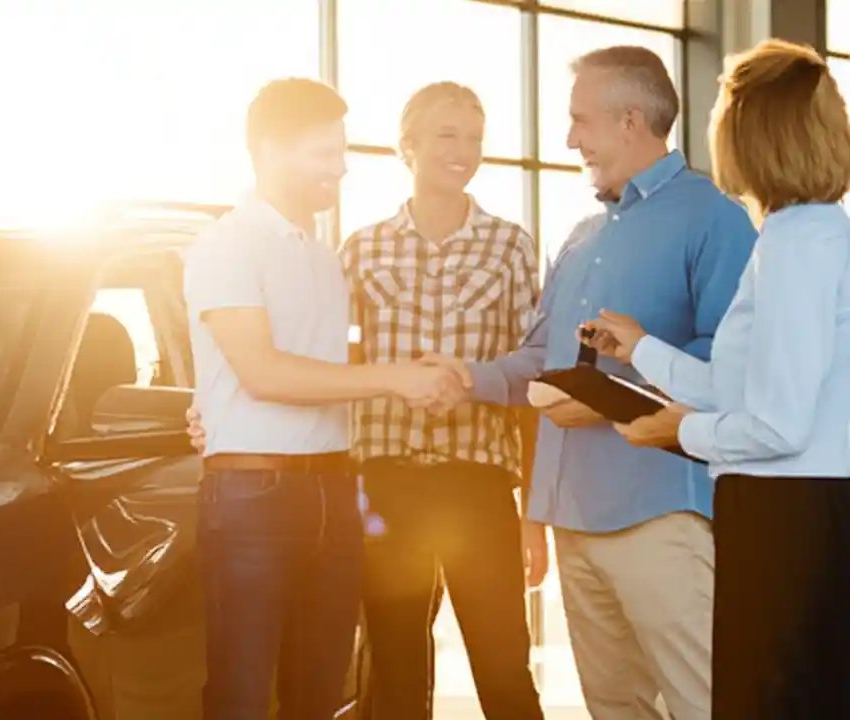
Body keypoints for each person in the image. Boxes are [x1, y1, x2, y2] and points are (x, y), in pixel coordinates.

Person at [423, 46, 757, 720]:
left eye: (580, 121)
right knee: (614, 708)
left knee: (703, 705)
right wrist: (470, 378)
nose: (570, 139)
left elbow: (731, 361)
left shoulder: (713, 217)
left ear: (630, 120)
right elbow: (543, 357)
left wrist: (608, 398)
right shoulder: (578, 236)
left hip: (660, 513)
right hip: (573, 516)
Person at [182, 77, 469, 720]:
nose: (339, 168)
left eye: (341, 151)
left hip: (336, 494)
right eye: (323, 152)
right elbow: (263, 373)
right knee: (243, 697)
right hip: (252, 501)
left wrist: (417, 371)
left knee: (318, 696)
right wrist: (393, 378)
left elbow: (310, 367)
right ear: (269, 150)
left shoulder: (320, 255)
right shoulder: (227, 245)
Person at [582, 39, 850, 719]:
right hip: (797, 515)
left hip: (788, 522)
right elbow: (746, 392)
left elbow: (777, 425)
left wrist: (680, 431)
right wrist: (642, 351)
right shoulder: (810, 234)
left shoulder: (796, 245)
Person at [340, 82, 544, 720]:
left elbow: (533, 374)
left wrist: (533, 515)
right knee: (394, 677)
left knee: (504, 667)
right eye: (447, 135)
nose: (464, 152)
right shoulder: (362, 249)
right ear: (408, 147)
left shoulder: (509, 246)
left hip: (477, 485)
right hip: (384, 484)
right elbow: (326, 366)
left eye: (475, 139)